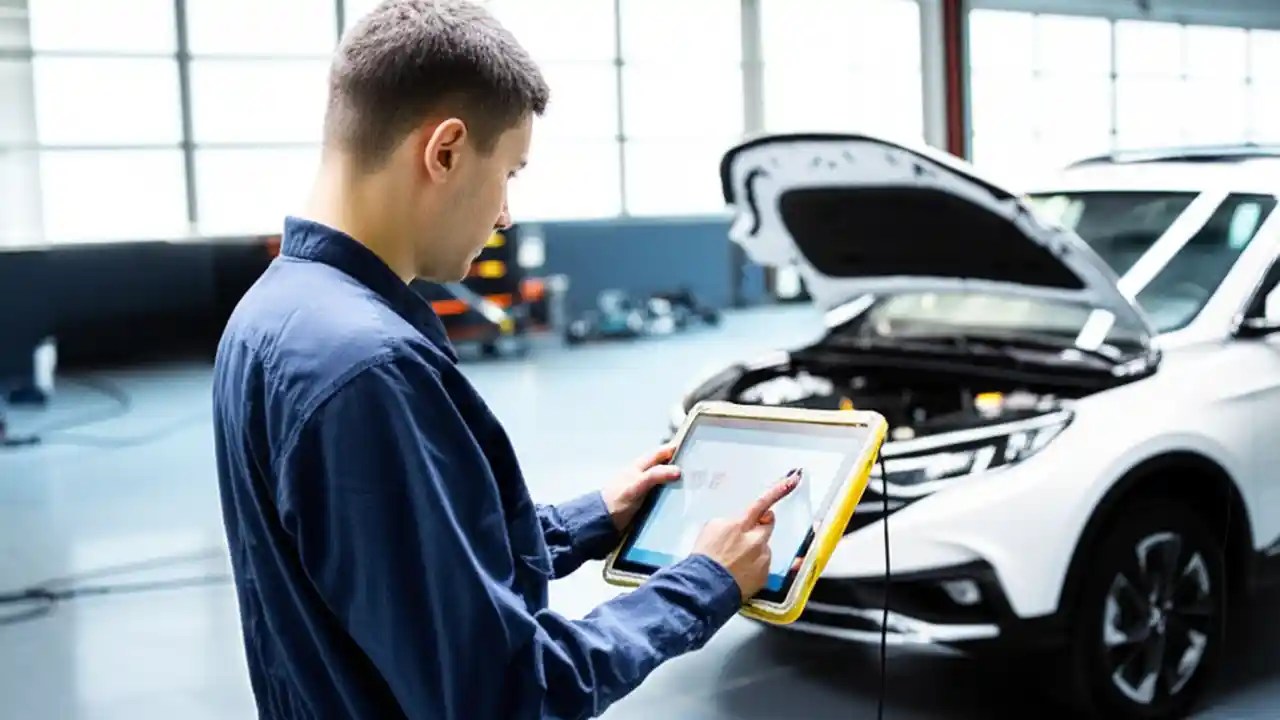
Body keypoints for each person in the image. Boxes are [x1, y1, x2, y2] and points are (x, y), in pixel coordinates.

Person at [209, 1, 798, 718]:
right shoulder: (368, 369)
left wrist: (590, 518)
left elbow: (406, 583)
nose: (505, 215)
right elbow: (504, 694)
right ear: (446, 151)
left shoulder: (272, 315)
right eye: (510, 172)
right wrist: (704, 580)